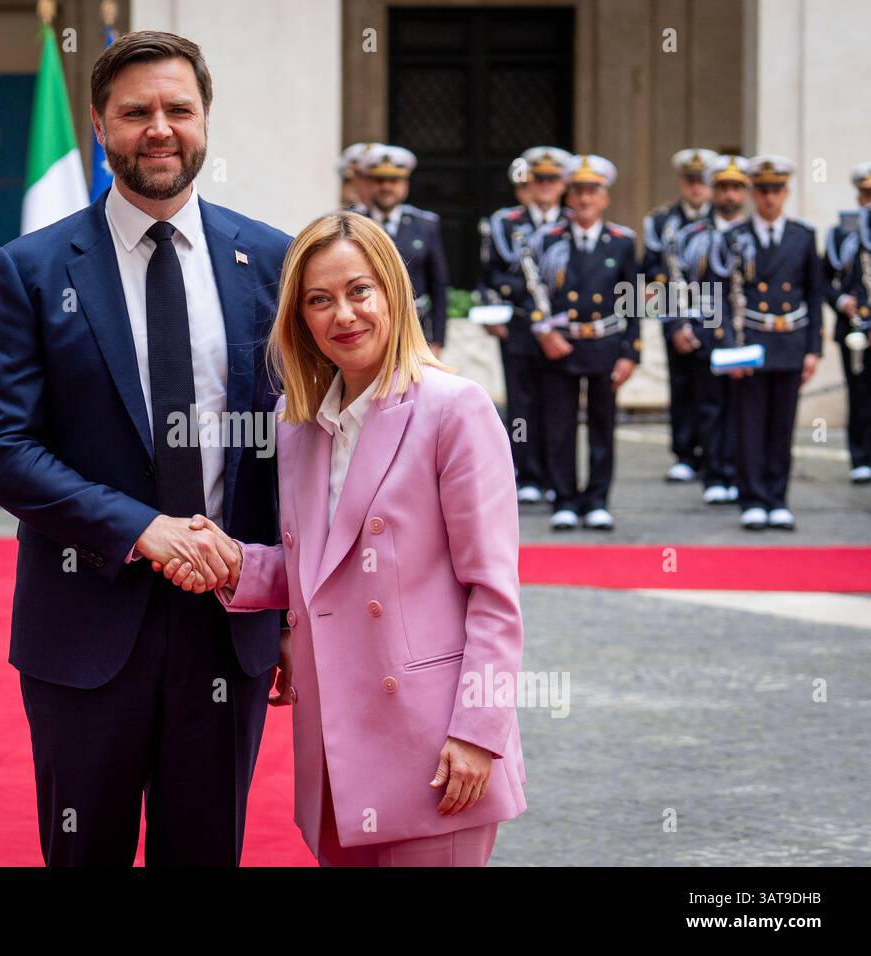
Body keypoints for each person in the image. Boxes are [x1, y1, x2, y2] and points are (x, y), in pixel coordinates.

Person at [0, 30, 291, 866]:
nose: (159, 127)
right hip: (86, 623)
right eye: (135, 111)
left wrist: (292, 613)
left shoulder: (273, 262)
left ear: (205, 121)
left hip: (229, 627)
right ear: (100, 126)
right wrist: (140, 529)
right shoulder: (32, 269)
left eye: (178, 108)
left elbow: (297, 450)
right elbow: (1, 445)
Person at [155, 211, 527, 866]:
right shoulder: (297, 424)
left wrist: (479, 732)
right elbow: (319, 569)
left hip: (437, 746)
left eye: (359, 291)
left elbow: (494, 595)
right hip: (337, 745)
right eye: (319, 301)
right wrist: (231, 562)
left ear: (391, 292)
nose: (343, 315)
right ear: (299, 319)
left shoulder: (453, 408)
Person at [531, 154, 640, 531]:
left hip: (604, 346)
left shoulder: (622, 242)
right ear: (568, 196)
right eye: (578, 191)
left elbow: (632, 301)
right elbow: (531, 292)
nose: (585, 199)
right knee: (558, 425)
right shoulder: (547, 240)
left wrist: (630, 352)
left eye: (592, 191)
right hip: (561, 344)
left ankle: (596, 500)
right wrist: (543, 332)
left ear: (604, 198)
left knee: (601, 424)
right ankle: (563, 498)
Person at [717, 156, 823, 530]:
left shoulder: (803, 235)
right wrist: (730, 348)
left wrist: (814, 349)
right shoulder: (734, 236)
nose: (769, 198)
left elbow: (813, 295)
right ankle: (753, 498)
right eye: (762, 190)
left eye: (776, 190)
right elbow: (723, 299)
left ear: (786, 193)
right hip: (752, 341)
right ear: (752, 194)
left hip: (791, 341)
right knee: (749, 425)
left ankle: (778, 497)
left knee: (782, 425)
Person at [479, 146, 573, 506]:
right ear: (528, 183)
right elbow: (491, 275)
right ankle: (527, 471)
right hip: (518, 325)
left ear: (562, 184)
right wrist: (494, 312)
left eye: (552, 179)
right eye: (539, 179)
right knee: (522, 403)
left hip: (560, 328)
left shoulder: (571, 220)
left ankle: (555, 473)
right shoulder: (507, 221)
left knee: (559, 403)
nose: (546, 186)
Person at [665, 153, 751, 505]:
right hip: (707, 330)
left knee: (746, 409)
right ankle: (714, 472)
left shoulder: (752, 233)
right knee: (710, 406)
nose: (729, 195)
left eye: (736, 188)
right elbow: (667, 283)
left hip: (749, 333)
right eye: (723, 187)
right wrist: (675, 324)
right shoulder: (687, 235)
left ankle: (743, 474)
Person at [642, 148, 718, 484]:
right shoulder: (661, 221)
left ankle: (716, 457)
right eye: (691, 181)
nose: (697, 188)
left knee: (715, 392)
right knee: (682, 387)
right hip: (675, 317)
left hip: (716, 319)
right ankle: (685, 454)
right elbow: (652, 276)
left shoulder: (723, 220)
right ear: (681, 182)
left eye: (702, 181)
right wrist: (673, 323)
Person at [358, 143, 450, 356]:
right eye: (379, 180)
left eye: (394, 180)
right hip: (368, 327)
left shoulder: (426, 224)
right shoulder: (354, 224)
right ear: (368, 184)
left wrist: (438, 340)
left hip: (416, 329)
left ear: (405, 184)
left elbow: (439, 285)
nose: (386, 187)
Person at [823, 162, 871, 484]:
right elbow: (823, 280)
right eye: (866, 194)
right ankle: (861, 457)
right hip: (856, 327)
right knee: (860, 393)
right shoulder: (843, 232)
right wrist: (841, 300)